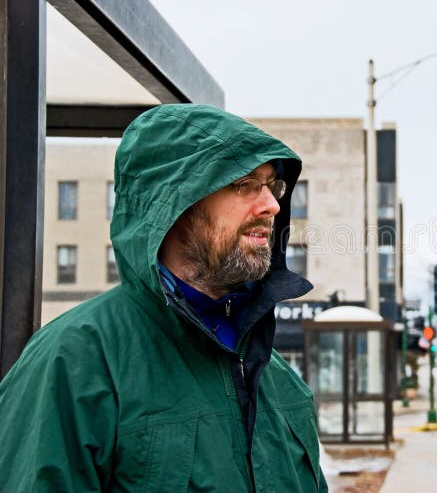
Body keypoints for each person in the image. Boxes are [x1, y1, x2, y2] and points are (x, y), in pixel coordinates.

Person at [0, 104, 327, 492]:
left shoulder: (275, 374)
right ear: (175, 202)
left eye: (272, 186)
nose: (271, 205)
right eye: (245, 184)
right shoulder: (76, 360)